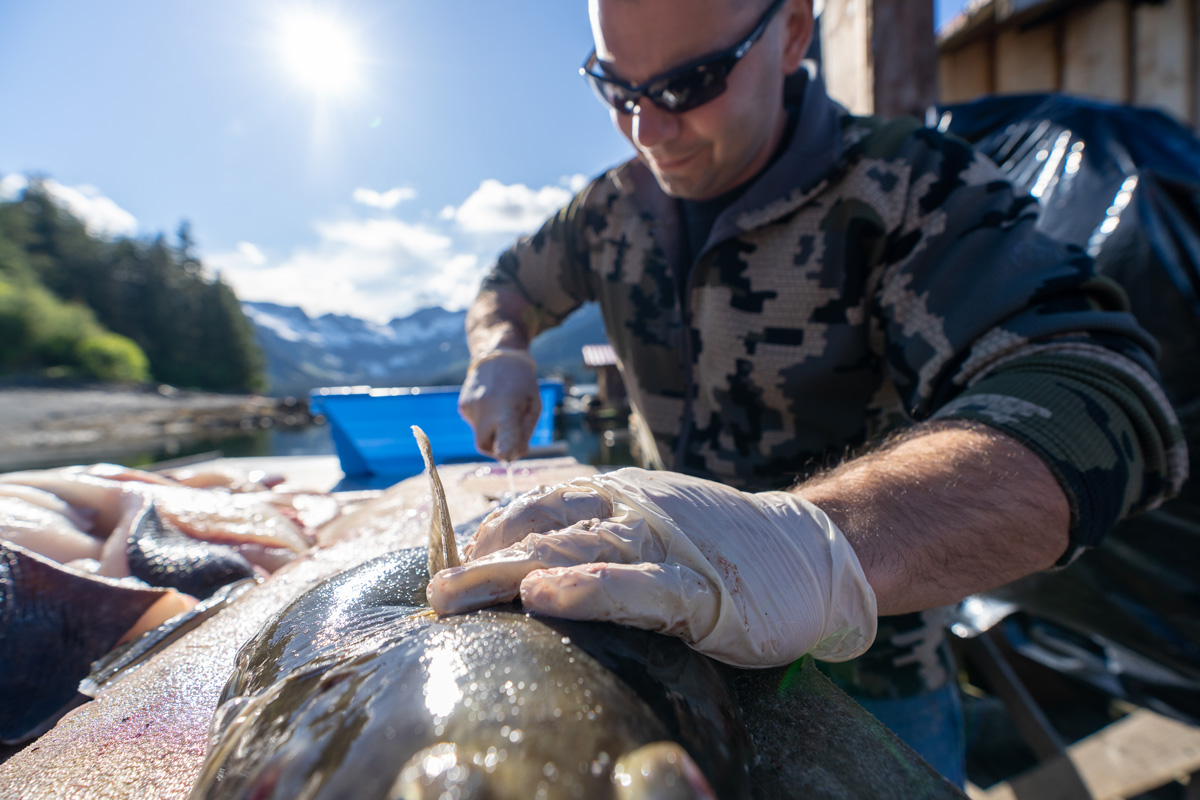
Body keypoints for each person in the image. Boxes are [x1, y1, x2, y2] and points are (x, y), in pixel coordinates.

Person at [439, 0, 1188, 785]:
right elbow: (507, 284)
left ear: (792, 31)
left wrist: (814, 546)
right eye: (617, 90)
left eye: (690, 84)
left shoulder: (909, 187)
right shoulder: (607, 213)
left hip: (868, 677)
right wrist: (501, 351)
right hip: (653, 648)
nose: (648, 131)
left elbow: (1103, 398)